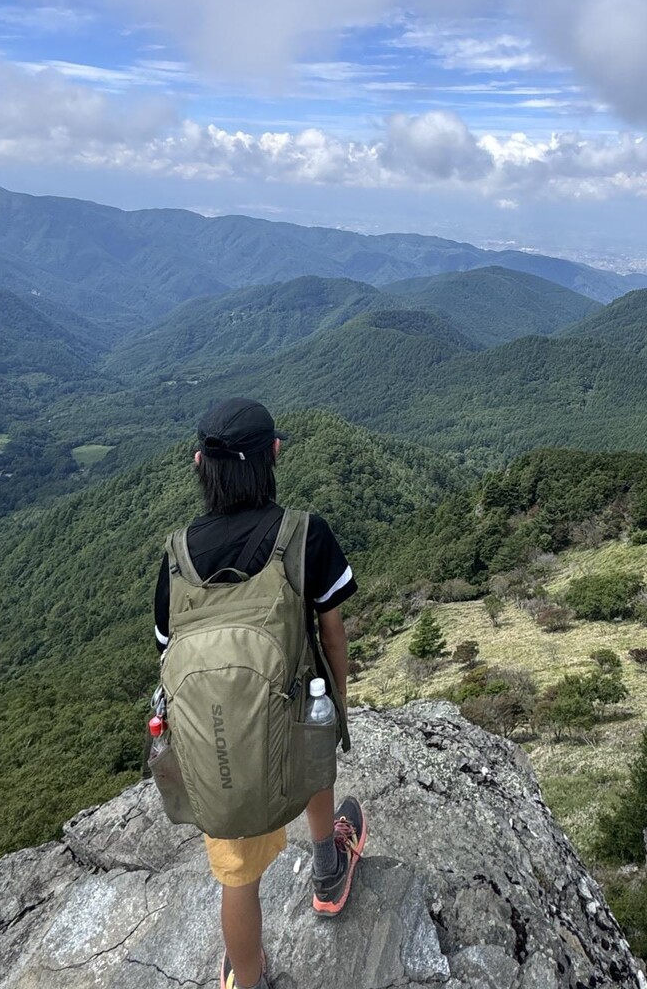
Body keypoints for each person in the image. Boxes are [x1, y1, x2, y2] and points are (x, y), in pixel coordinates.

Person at [154, 397, 367, 989]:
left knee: (236, 876)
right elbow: (331, 632)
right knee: (314, 735)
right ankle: (328, 870)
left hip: (218, 740)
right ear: (274, 456)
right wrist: (339, 706)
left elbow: (167, 652)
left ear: (200, 465)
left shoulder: (175, 558)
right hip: (295, 719)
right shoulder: (305, 535)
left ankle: (246, 980)